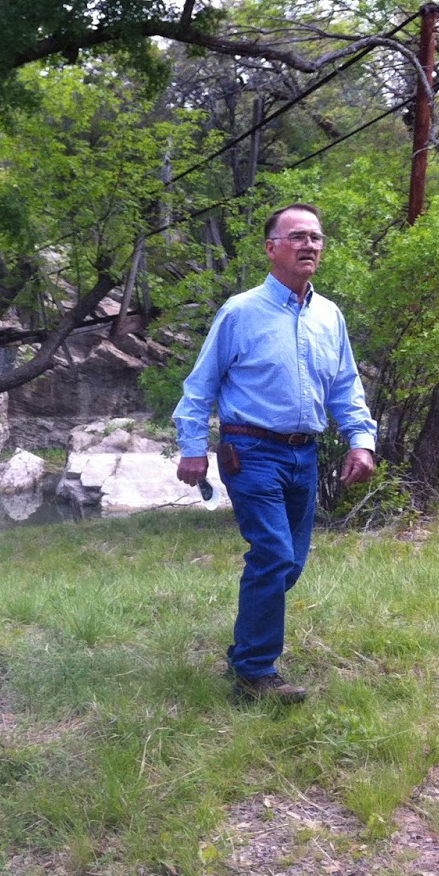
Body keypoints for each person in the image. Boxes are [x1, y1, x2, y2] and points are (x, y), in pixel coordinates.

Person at [173, 203, 376, 703]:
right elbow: (202, 386)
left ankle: (245, 652)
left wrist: (361, 439)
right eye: (297, 237)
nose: (309, 245)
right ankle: (255, 673)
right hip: (250, 450)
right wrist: (192, 447)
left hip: (305, 455)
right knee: (273, 554)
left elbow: (345, 386)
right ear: (271, 249)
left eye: (316, 237)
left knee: (290, 564)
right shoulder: (240, 312)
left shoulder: (329, 316)